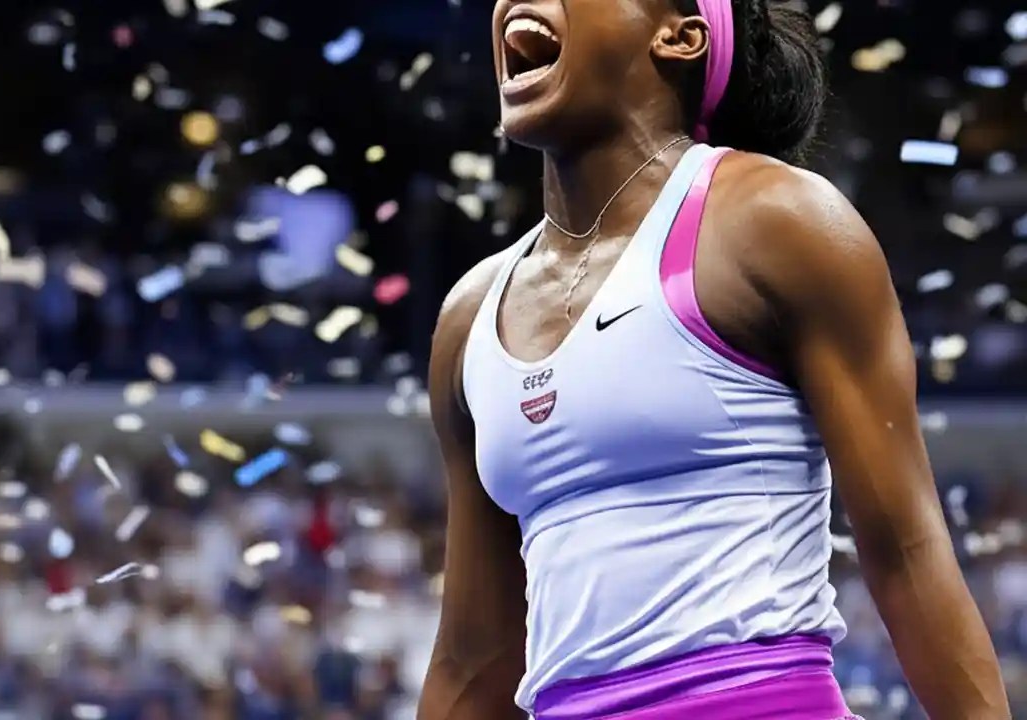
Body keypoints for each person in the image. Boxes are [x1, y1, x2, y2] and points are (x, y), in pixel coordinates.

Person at [419, 1, 1011, 719]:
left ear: (679, 36)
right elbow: (472, 660)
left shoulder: (778, 222)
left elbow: (906, 553)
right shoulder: (469, 318)